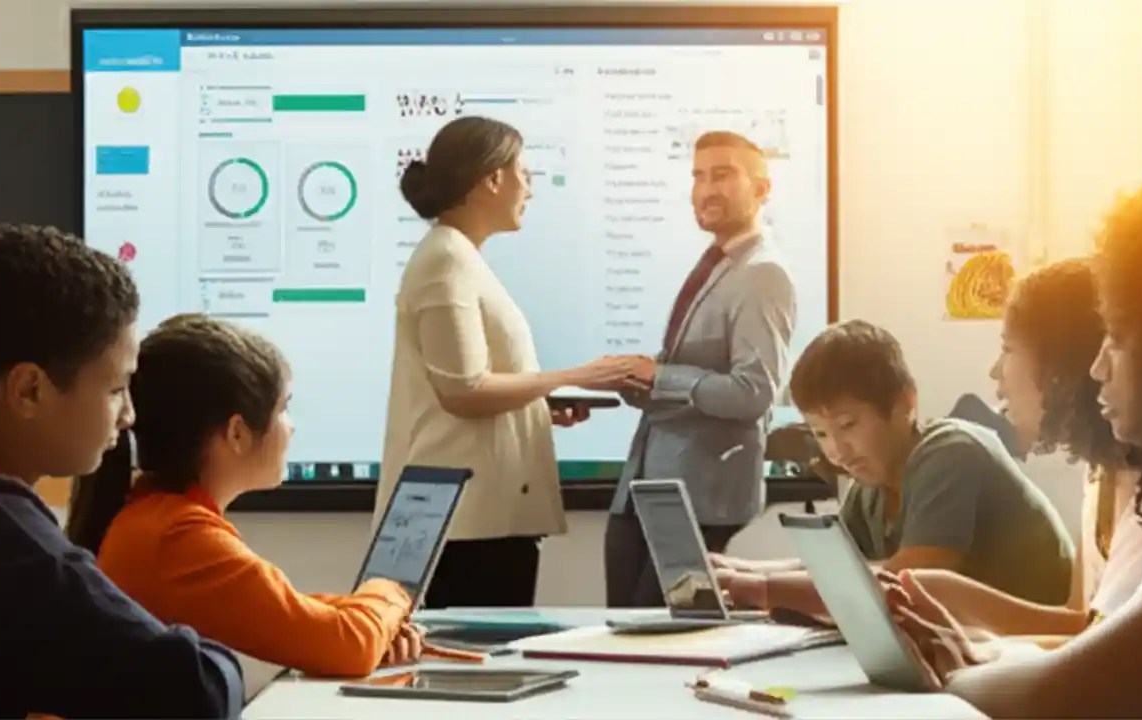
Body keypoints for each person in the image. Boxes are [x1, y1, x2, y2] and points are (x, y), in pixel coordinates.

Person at [892, 169, 1142, 719]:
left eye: (1119, 339)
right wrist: (972, 657)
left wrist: (953, 668)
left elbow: (1059, 698)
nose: (1098, 366)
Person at [0, 224, 243, 718]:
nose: (129, 415)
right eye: (116, 389)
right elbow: (193, 690)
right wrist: (219, 658)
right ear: (29, 390)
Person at [66, 314, 424, 678]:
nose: (292, 427)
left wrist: (378, 622)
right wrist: (390, 590)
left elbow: (295, 613)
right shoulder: (180, 536)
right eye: (283, 409)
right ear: (237, 433)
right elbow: (349, 646)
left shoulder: (161, 518)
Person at [377, 116, 635, 608]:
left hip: (481, 517)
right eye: (525, 174)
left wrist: (537, 406)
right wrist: (576, 376)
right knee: (474, 654)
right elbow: (463, 391)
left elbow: (464, 385)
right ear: (493, 178)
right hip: (466, 523)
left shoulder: (458, 256)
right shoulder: (446, 260)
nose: (530, 190)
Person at [715, 320, 1074, 613]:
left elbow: (908, 581)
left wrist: (764, 587)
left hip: (1036, 647)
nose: (837, 450)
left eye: (848, 425)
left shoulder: (951, 454)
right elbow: (837, 570)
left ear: (906, 403)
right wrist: (738, 570)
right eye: (820, 433)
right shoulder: (868, 489)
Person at [905, 258, 1142, 641]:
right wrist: (956, 614)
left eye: (1008, 349)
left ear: (1062, 366)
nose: (996, 372)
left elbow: (1104, 641)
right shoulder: (1100, 475)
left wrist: (963, 611)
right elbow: (1080, 621)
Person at [603, 130, 798, 608]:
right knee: (622, 632)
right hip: (645, 489)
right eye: (698, 176)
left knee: (659, 638)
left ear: (762, 189)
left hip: (700, 498)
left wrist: (661, 377)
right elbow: (693, 376)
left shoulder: (763, 273)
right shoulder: (717, 264)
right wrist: (636, 379)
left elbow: (754, 393)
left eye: (723, 175)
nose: (706, 189)